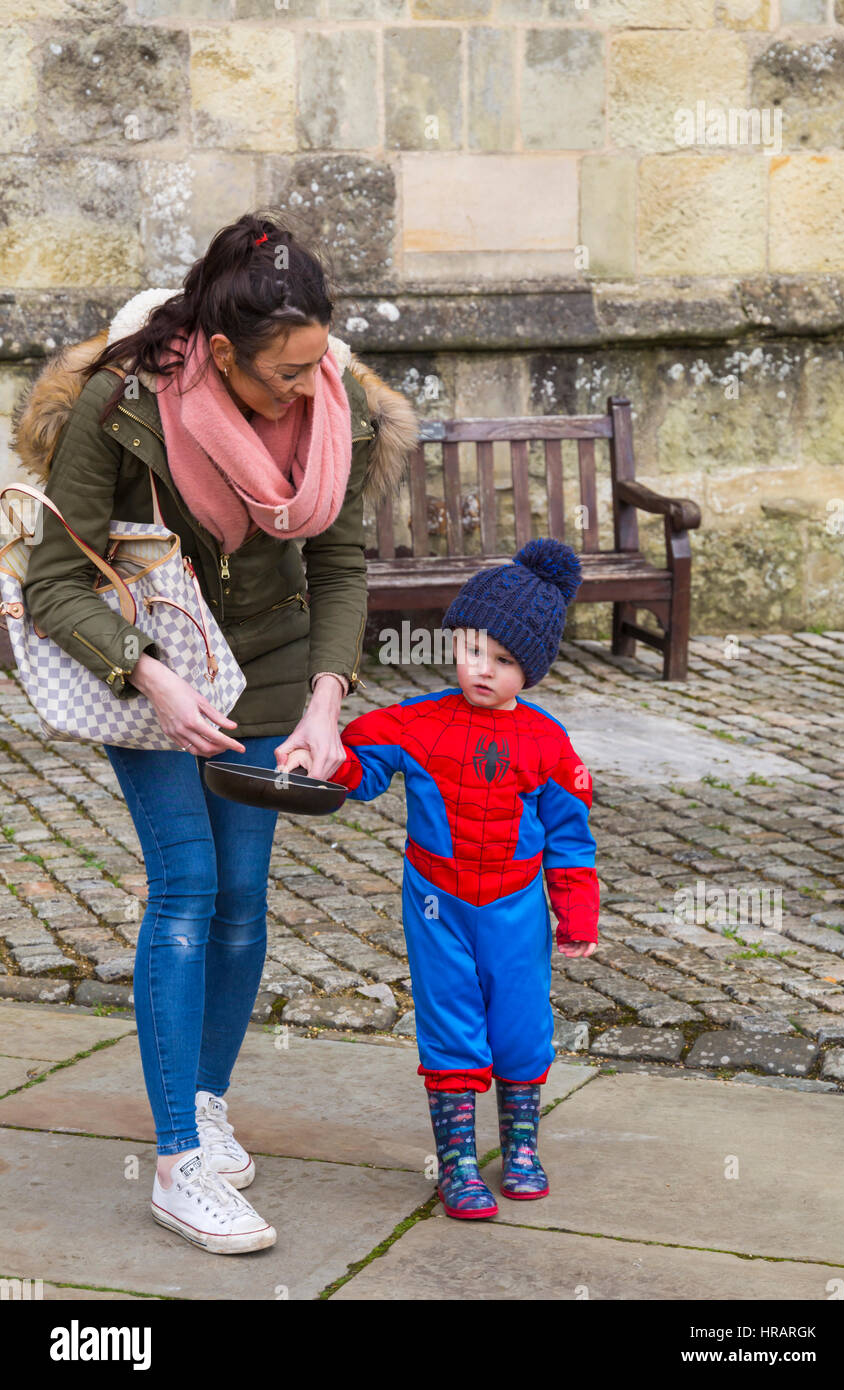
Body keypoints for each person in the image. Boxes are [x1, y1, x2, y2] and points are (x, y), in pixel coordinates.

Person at [13, 211, 415, 1253]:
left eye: (314, 363)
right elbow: (55, 579)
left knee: (243, 902)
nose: (300, 390)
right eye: (279, 374)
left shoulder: (339, 410)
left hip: (271, 670)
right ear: (219, 350)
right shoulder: (119, 406)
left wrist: (328, 701)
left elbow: (335, 567)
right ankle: (180, 1164)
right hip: (150, 663)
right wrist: (145, 676)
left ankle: (206, 1099)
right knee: (186, 887)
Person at [285, 537, 600, 1219]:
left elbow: (571, 837)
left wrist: (577, 912)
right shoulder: (413, 726)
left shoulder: (548, 746)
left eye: (505, 659)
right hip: (437, 904)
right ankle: (456, 1161)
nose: (481, 668)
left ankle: (519, 1146)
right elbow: (362, 773)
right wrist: (331, 766)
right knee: (450, 1021)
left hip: (516, 906)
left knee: (520, 1022)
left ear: (534, 668)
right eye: (471, 648)